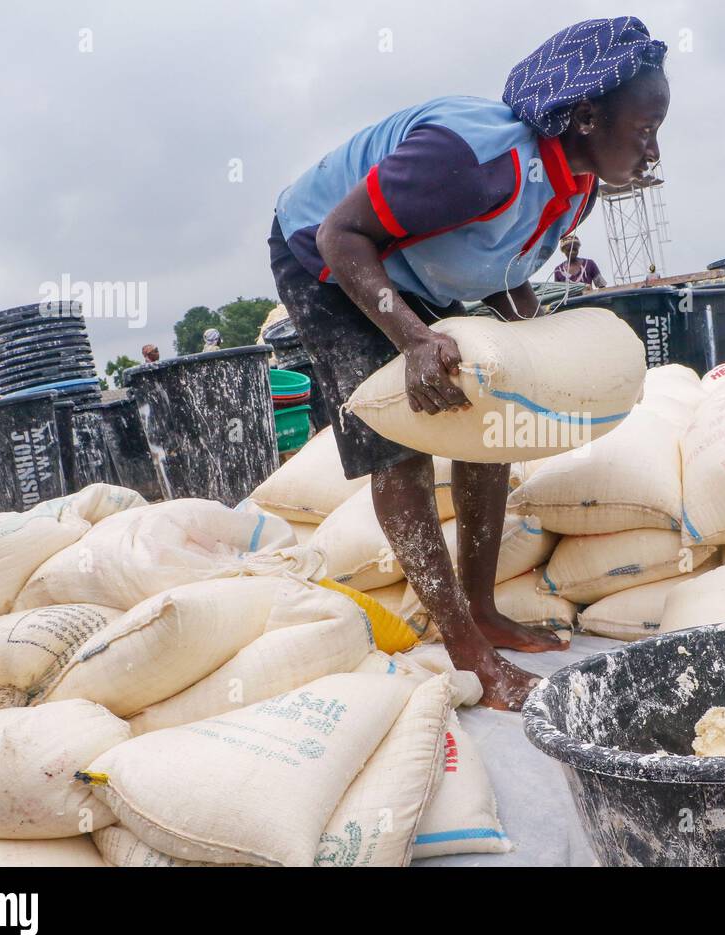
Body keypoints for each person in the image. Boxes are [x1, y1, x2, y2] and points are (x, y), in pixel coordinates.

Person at [269, 17, 669, 710]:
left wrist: (533, 345)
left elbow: (505, 261)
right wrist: (413, 340)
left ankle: (481, 609)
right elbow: (343, 234)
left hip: (415, 268)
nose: (654, 149)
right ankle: (463, 646)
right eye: (642, 130)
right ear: (583, 116)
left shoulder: (577, 184)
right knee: (402, 447)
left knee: (493, 416)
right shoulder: (471, 157)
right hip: (332, 261)